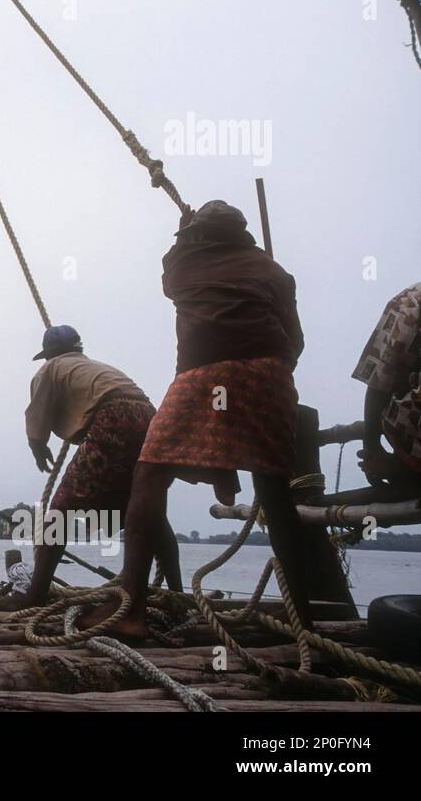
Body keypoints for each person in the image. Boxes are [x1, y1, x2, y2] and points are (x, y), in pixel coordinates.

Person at [83, 200, 310, 638]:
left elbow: (170, 263)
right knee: (277, 497)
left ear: (198, 237)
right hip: (269, 375)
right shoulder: (276, 273)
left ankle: (131, 608)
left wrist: (185, 229)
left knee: (150, 475)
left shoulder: (183, 266)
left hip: (203, 374)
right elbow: (295, 341)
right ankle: (306, 621)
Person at [0, 325, 179, 611]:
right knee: (143, 509)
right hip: (150, 419)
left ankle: (35, 594)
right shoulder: (96, 368)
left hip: (113, 417)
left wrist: (37, 447)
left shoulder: (50, 368)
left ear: (48, 354)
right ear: (78, 348)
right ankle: (178, 594)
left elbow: (36, 417)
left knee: (61, 510)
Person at [352, 281, 421, 495]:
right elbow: (381, 377)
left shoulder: (412, 299)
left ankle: (404, 471)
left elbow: (380, 378)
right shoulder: (412, 302)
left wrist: (371, 444)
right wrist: (371, 446)